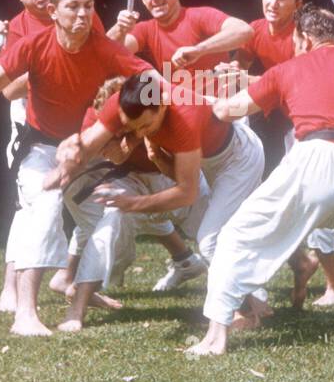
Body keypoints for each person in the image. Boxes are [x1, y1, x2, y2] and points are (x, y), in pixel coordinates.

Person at [185, 6, 334, 356]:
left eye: (296, 40)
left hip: (315, 161)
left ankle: (216, 336)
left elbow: (226, 111)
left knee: (235, 236)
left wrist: (207, 98)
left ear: (305, 38)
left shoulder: (289, 69)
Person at [0, 0, 153, 336]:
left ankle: (78, 295)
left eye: (88, 6)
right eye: (73, 7)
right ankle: (26, 313)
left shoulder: (104, 47)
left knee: (112, 214)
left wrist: (130, 133)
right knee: (45, 205)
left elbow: (151, 82)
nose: (82, 15)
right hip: (40, 148)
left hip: (87, 149)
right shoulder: (34, 44)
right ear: (53, 11)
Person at [51, 70, 266, 305]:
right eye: (133, 128)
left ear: (163, 105)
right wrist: (62, 167)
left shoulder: (185, 116)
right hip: (207, 161)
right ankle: (256, 297)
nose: (140, 133)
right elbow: (87, 145)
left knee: (211, 241)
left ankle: (251, 307)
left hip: (237, 160)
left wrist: (133, 204)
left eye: (146, 126)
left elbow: (187, 192)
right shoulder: (122, 102)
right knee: (225, 233)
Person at [225, 0, 334, 307]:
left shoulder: (308, 33)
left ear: (298, 2)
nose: (272, 3)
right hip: (278, 125)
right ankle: (324, 257)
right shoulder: (254, 31)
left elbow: (289, 79)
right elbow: (243, 77)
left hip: (316, 126)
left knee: (313, 198)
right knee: (275, 201)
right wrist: (230, 75)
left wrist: (247, 81)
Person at [0, 0, 112, 312]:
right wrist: (51, 64)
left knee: (98, 208)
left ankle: (72, 278)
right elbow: (8, 90)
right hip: (31, 123)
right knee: (30, 205)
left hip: (77, 119)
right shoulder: (17, 27)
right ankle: (11, 289)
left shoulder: (82, 12)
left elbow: (100, 60)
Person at [57, 77, 210, 331]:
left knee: (211, 233)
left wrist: (155, 153)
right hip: (131, 179)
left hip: (175, 179)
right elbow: (106, 157)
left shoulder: (172, 116)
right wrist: (125, 142)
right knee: (111, 219)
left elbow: (183, 183)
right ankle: (77, 306)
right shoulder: (99, 120)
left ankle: (248, 298)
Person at [111, 0, 253, 98]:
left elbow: (244, 30)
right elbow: (105, 54)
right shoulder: (145, 29)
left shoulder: (199, 16)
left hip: (219, 109)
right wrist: (119, 28)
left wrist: (199, 50)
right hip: (180, 109)